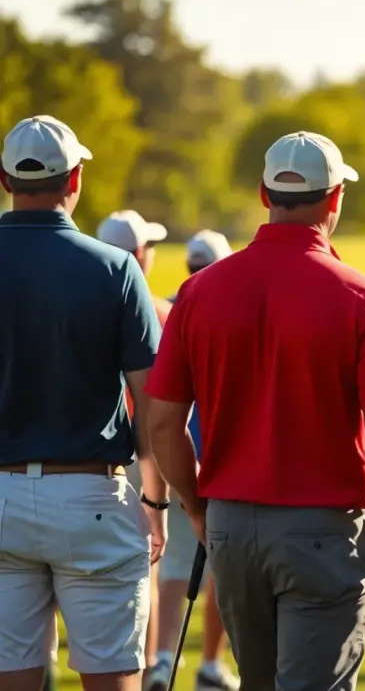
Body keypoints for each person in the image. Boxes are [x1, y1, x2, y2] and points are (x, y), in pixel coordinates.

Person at [144, 130, 365, 690]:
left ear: (264, 194)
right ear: (335, 199)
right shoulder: (363, 298)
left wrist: (199, 509)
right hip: (323, 529)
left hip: (231, 524)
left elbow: (161, 422)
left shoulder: (199, 292)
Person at [0, 115, 169, 691]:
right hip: (93, 493)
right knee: (111, 677)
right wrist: (156, 498)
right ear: (75, 180)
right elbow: (151, 399)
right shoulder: (117, 268)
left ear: (5, 178)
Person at [147, 229, 238, 691]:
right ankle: (208, 663)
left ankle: (162, 659)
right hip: (220, 461)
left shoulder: (166, 308)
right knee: (220, 569)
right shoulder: (233, 305)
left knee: (176, 566)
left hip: (173, 456)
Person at [96, 208, 172, 681]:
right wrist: (155, 497)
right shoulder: (162, 310)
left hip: (96, 458)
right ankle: (150, 672)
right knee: (146, 579)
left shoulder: (80, 293)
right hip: (142, 459)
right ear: (141, 254)